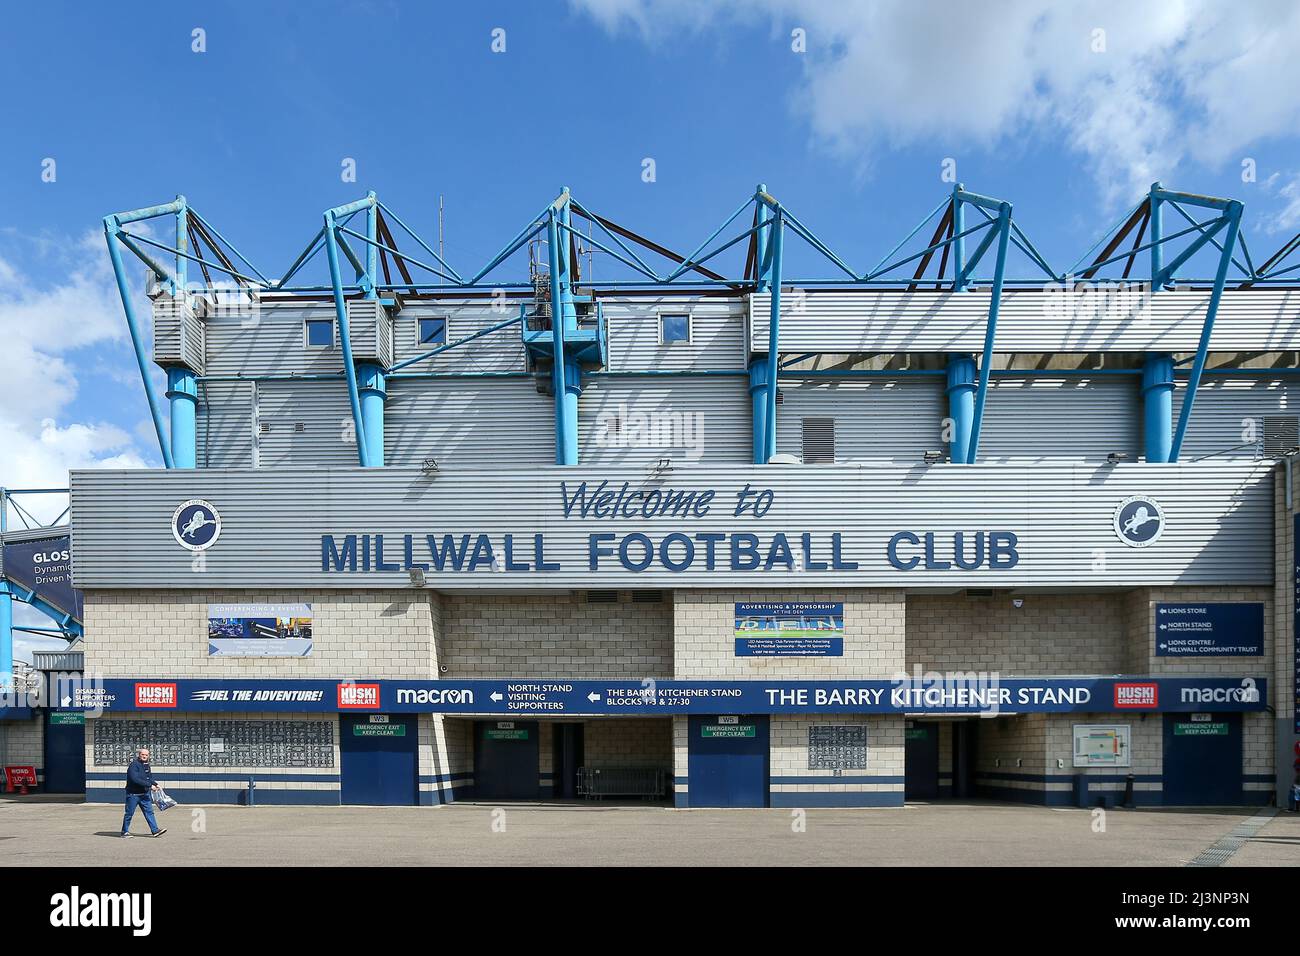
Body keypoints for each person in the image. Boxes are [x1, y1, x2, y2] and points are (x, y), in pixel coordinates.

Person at [121, 747, 167, 838]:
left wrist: (155, 784)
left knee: (149, 812)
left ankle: (155, 831)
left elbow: (148, 778)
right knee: (129, 814)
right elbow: (135, 779)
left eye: (146, 755)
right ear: (139, 755)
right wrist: (150, 786)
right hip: (133, 794)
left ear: (148, 756)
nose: (144, 756)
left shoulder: (147, 765)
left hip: (144, 795)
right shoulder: (134, 765)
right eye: (143, 754)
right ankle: (124, 832)